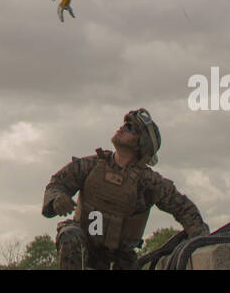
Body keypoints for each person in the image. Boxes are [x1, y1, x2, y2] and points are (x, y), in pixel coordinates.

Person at [42, 109, 209, 270]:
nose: (122, 127)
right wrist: (56, 198)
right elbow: (57, 184)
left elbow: (184, 208)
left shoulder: (148, 181)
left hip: (119, 254)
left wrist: (201, 241)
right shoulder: (91, 165)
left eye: (130, 128)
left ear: (141, 144)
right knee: (70, 236)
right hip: (84, 242)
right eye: (124, 123)